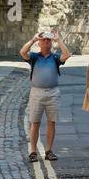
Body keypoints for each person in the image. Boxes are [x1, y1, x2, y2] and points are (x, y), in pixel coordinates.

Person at [19, 31, 70, 162]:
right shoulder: (35, 57)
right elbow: (22, 52)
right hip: (37, 92)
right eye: (44, 40)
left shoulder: (55, 58)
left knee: (51, 122)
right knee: (35, 122)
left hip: (53, 92)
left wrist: (59, 40)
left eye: (49, 40)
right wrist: (33, 39)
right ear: (40, 43)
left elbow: (67, 55)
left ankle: (48, 151)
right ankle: (33, 152)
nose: (46, 42)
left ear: (51, 43)